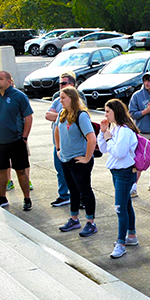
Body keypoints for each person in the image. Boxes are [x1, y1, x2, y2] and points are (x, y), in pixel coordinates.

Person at [0, 71, 33, 210]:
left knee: (21, 170)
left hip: (16, 140)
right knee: (1, 170)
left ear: (9, 82)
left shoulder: (19, 97)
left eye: (0, 78)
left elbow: (28, 117)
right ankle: (2, 197)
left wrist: (24, 137)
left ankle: (27, 198)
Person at [98, 99, 140, 258]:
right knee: (126, 204)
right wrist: (103, 133)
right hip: (116, 172)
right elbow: (102, 149)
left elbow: (119, 152)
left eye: (108, 111)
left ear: (116, 111)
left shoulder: (125, 131)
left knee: (120, 207)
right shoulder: (116, 129)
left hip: (124, 172)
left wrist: (108, 138)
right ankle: (131, 235)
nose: (105, 114)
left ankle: (121, 243)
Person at [54, 86, 98, 237]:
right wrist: (58, 149)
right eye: (60, 97)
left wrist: (86, 157)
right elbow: (57, 130)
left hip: (79, 161)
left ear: (72, 99)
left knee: (85, 191)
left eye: (63, 98)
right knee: (73, 190)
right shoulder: (62, 113)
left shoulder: (81, 116)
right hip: (66, 160)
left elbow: (91, 138)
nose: (61, 100)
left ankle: (91, 222)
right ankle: (74, 219)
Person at [45, 72, 86, 207]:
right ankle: (64, 195)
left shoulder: (80, 99)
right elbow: (48, 116)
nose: (60, 86)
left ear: (72, 85)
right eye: (60, 84)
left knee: (78, 175)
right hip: (60, 147)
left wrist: (66, 115)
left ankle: (81, 198)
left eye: (63, 83)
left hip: (74, 148)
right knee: (61, 172)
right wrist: (58, 148)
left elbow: (80, 119)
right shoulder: (57, 100)